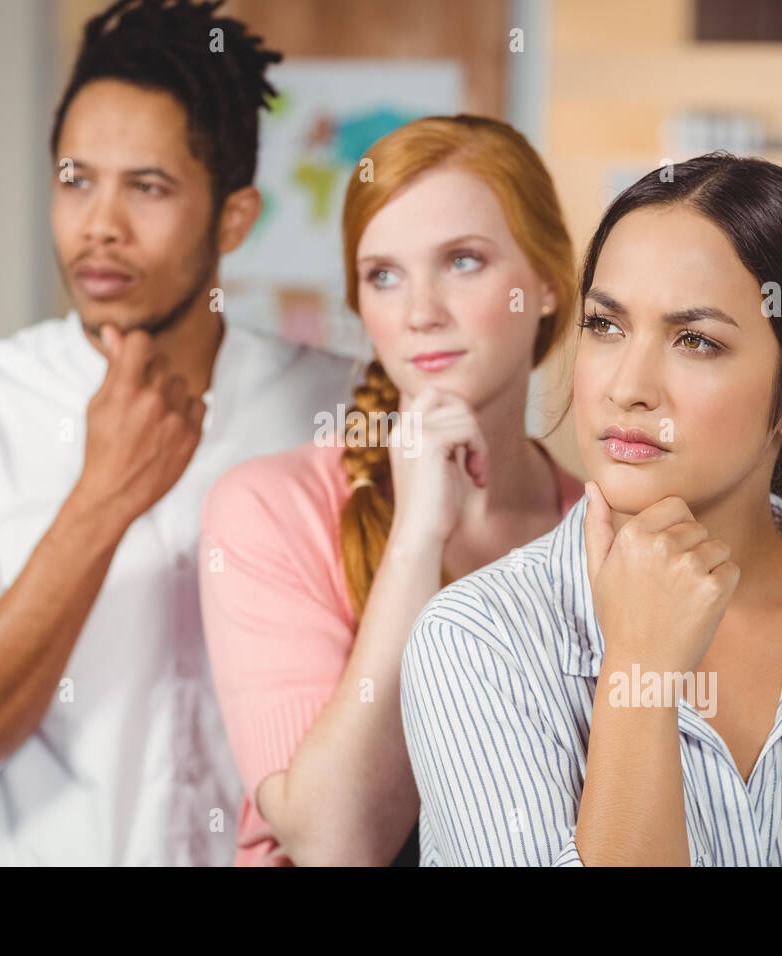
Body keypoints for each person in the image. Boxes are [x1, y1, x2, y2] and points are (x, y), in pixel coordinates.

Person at [0, 0, 354, 865]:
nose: (100, 224)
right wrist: (101, 499)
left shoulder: (339, 408)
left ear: (233, 218)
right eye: (76, 179)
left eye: (147, 187)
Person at [400, 152, 782, 866]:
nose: (628, 386)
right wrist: (639, 667)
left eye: (696, 341)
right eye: (605, 325)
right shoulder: (478, 641)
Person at [198, 115, 585, 866]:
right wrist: (416, 540)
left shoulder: (600, 535)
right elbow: (335, 844)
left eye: (464, 261)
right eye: (383, 275)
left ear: (544, 284)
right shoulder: (267, 512)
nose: (419, 313)